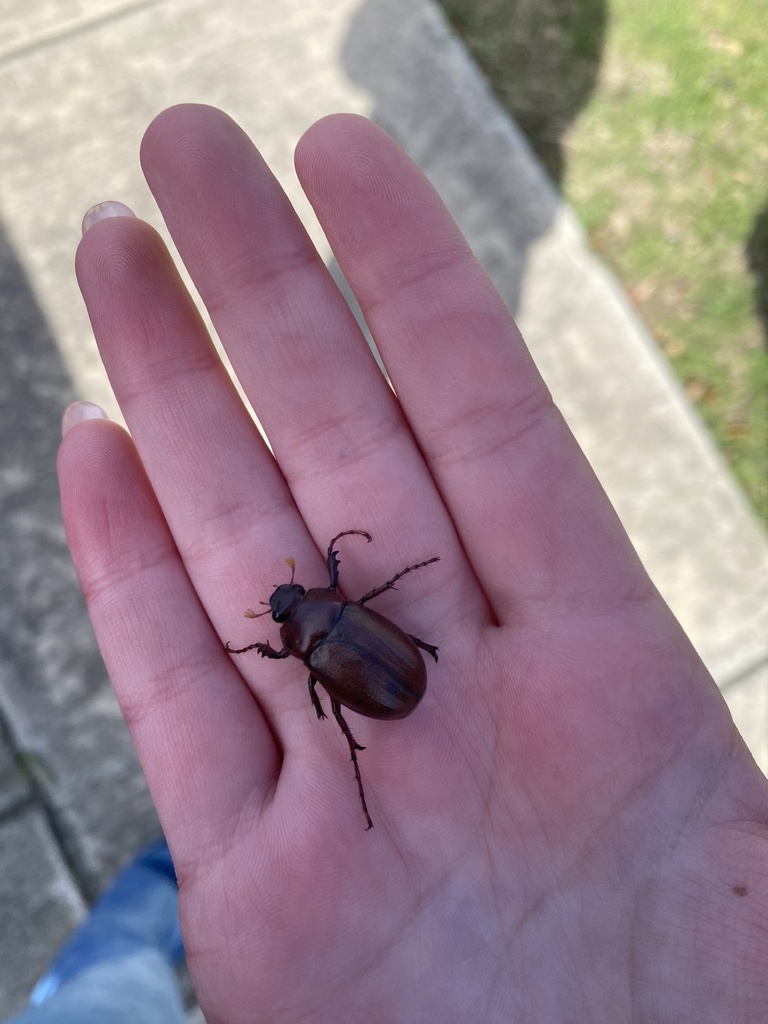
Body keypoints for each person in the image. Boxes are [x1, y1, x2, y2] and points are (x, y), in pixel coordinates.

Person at [30, 103, 768, 1021]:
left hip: (382, 673)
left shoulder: (311, 639)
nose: (290, 597)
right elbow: (354, 601)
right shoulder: (328, 621)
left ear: (294, 620)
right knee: (356, 646)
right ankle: (119, 965)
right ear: (303, 615)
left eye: (290, 600)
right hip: (383, 668)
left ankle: (111, 969)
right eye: (292, 602)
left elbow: (341, 616)